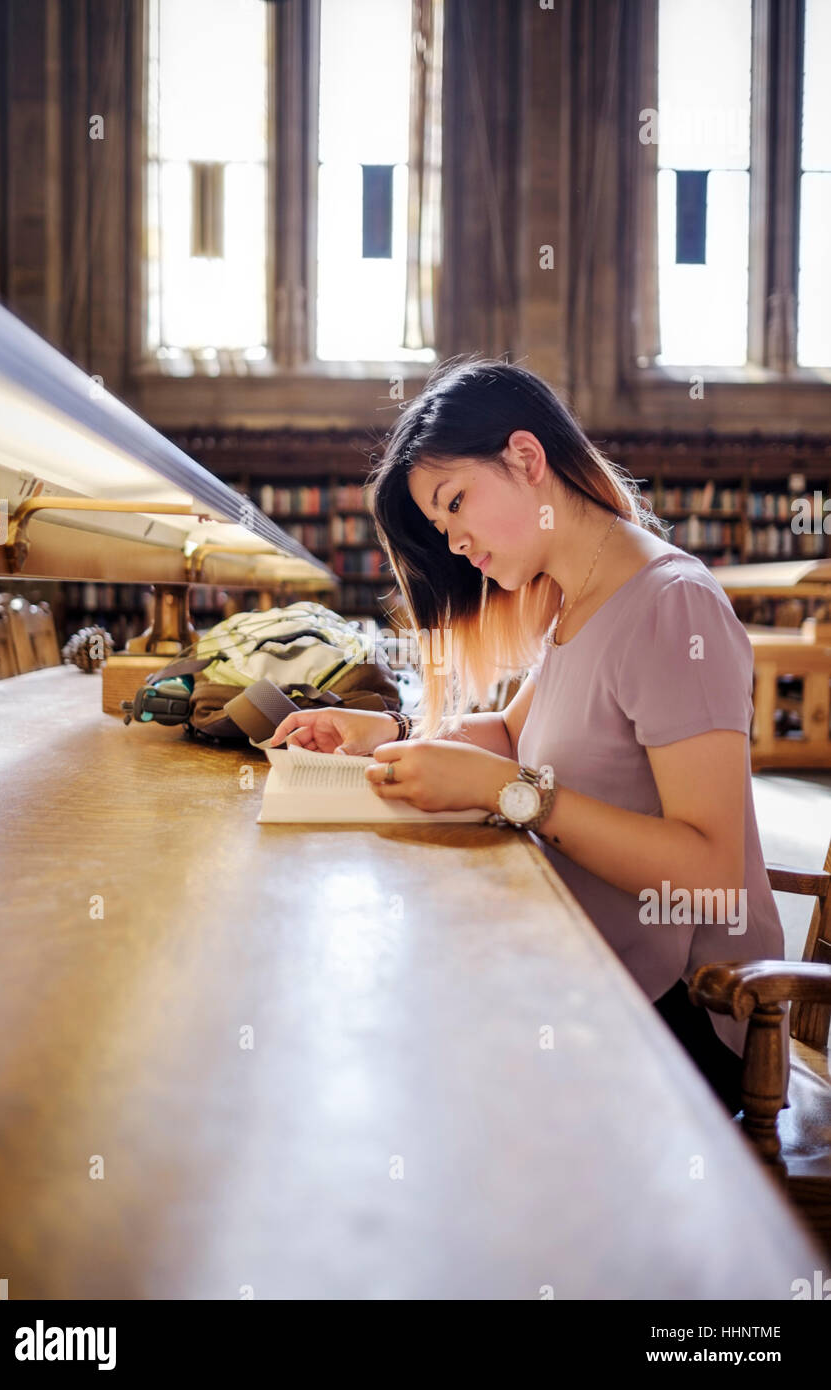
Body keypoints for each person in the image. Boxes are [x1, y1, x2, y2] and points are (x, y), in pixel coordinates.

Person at [269, 355, 787, 1116]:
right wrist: (385, 731)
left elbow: (709, 877)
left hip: (688, 1017)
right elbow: (513, 739)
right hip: (588, 966)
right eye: (442, 527)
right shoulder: (576, 600)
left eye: (456, 504)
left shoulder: (672, 606)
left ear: (525, 457)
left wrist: (515, 799)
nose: (455, 545)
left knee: (403, 1054)